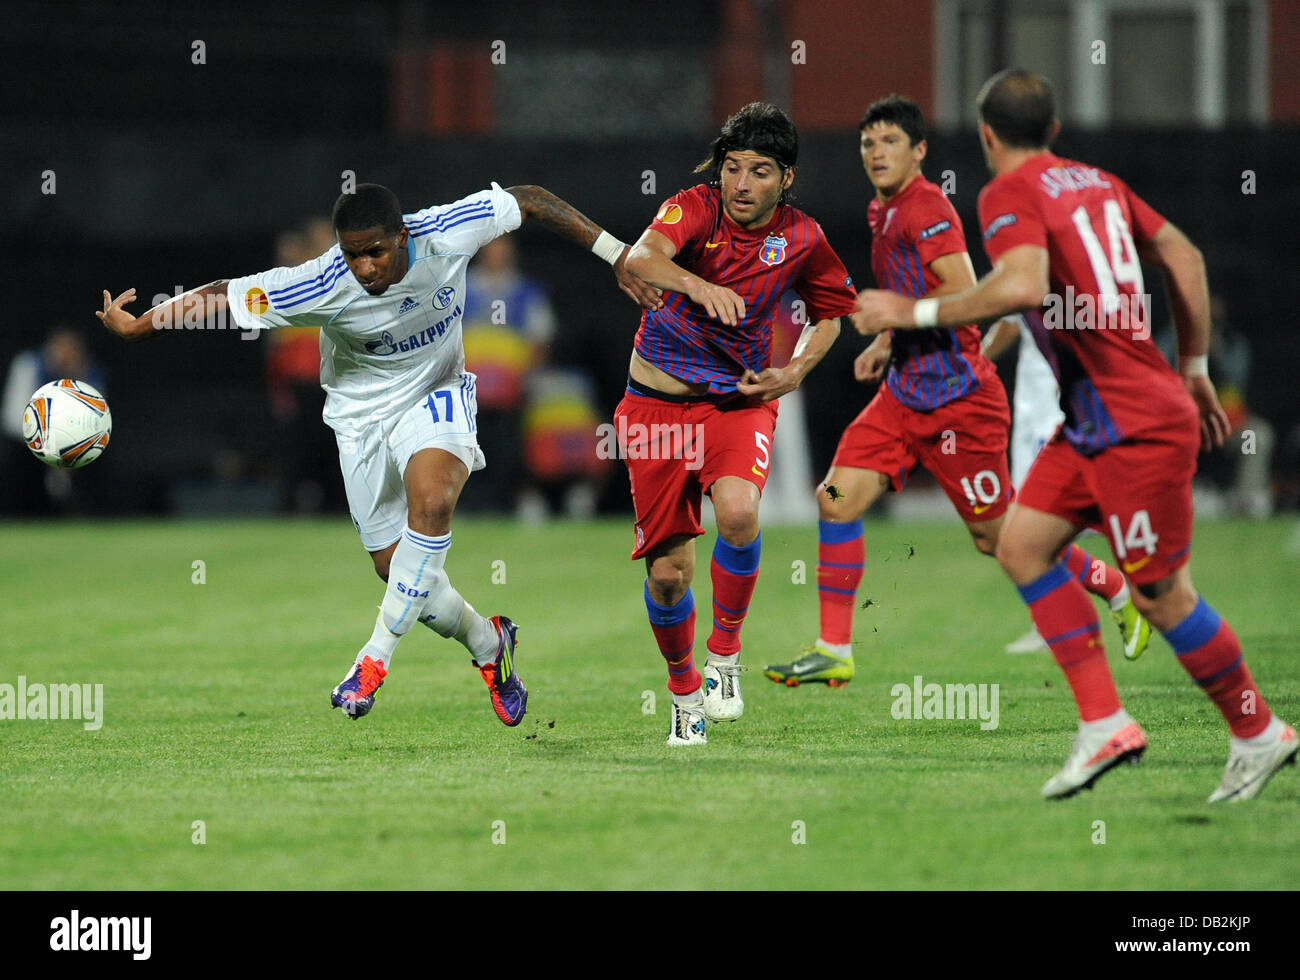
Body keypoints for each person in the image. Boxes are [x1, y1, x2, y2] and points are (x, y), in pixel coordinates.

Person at [855, 70, 1296, 802]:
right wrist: (1193, 365)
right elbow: (1185, 257)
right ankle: (1105, 725)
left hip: (1134, 426)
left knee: (1164, 598)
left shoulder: (1007, 193)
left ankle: (1258, 731)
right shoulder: (1097, 181)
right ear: (1054, 130)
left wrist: (912, 313)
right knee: (1023, 545)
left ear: (987, 135)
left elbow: (1023, 284)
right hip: (1096, 418)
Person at [98, 181, 659, 726]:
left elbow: (530, 199)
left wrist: (616, 253)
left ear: (402, 235)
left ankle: (373, 660)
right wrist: (142, 325)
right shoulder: (320, 282)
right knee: (397, 570)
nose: (364, 268)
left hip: (437, 393)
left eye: (376, 252)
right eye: (352, 255)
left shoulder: (446, 232)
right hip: (359, 419)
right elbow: (225, 294)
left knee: (433, 503)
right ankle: (491, 644)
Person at [763, 95, 1146, 688]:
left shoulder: (926, 208)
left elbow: (964, 291)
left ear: (919, 151)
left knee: (998, 539)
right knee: (836, 498)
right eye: (868, 143)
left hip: (958, 403)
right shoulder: (880, 211)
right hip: (902, 396)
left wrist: (897, 317)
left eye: (890, 141)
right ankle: (834, 648)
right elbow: (917, 295)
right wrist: (888, 341)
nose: (876, 152)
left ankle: (1112, 584)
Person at [618, 102, 858, 745]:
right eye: (732, 168)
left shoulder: (803, 236)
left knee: (740, 513)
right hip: (655, 407)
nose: (742, 184)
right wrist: (697, 287)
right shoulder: (692, 206)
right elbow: (642, 259)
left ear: (786, 178)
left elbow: (831, 313)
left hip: (738, 401)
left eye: (758, 171)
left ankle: (725, 657)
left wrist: (797, 370)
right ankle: (683, 689)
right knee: (669, 576)